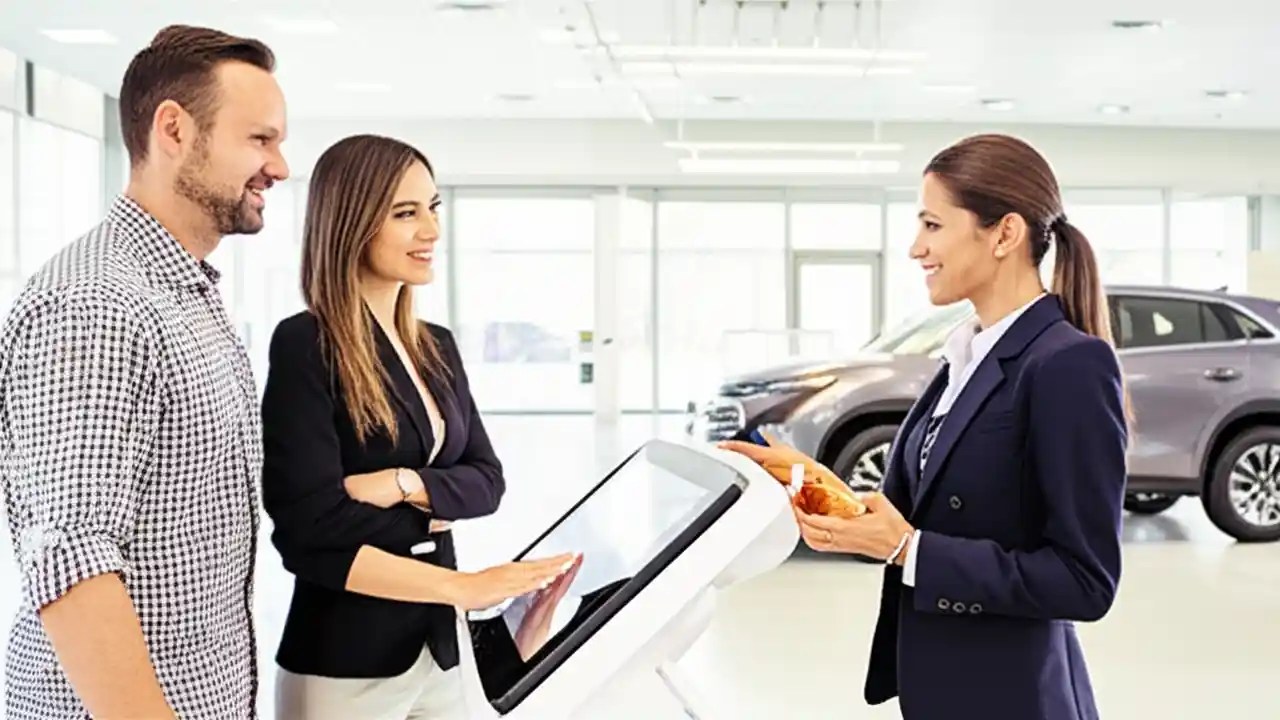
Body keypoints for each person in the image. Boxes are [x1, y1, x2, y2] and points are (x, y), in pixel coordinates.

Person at [723, 133, 1130, 720]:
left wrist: (910, 551)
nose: (916, 249)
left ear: (1005, 234)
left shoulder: (1067, 365)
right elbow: (918, 517)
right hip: (941, 691)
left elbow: (1084, 581)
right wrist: (809, 483)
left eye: (933, 225)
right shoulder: (963, 360)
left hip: (1014, 700)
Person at [0, 25, 288, 720]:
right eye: (260, 139)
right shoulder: (95, 304)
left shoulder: (186, 292)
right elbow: (73, 559)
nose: (278, 166)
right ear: (174, 130)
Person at [259, 134, 576, 720]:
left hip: (439, 651)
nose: (430, 230)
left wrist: (403, 484)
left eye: (433, 208)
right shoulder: (307, 344)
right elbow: (308, 528)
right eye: (406, 213)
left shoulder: (437, 347)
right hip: (345, 660)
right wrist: (464, 585)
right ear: (351, 222)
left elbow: (488, 481)